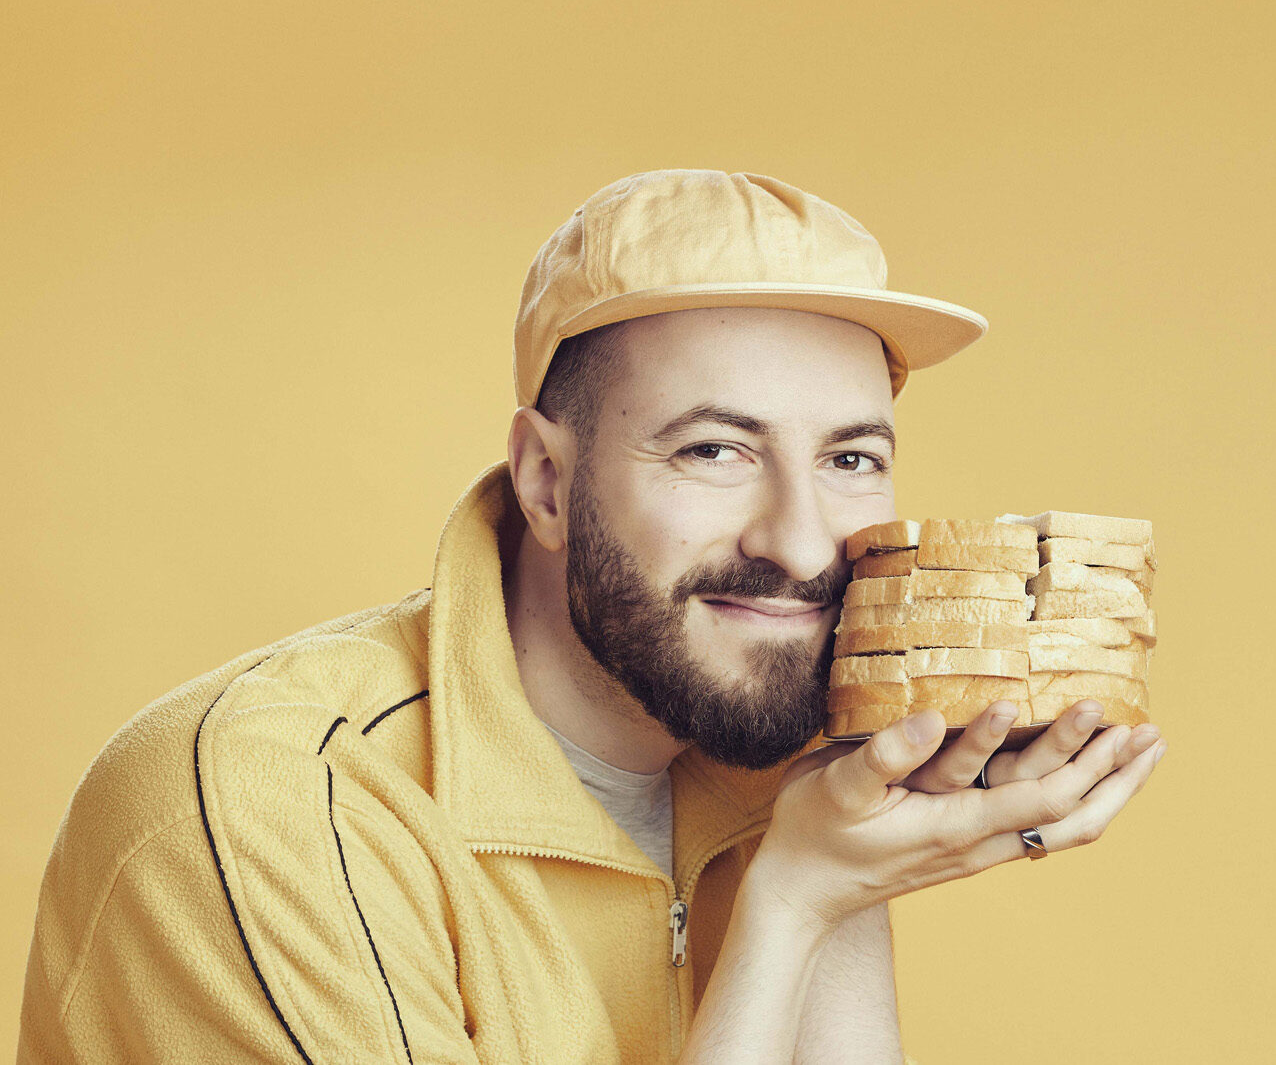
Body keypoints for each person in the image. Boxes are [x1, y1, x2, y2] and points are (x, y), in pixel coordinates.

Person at [17, 169, 1166, 1064]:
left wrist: (840, 878)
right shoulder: (272, 804)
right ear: (546, 481)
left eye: (851, 456)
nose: (804, 541)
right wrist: (794, 903)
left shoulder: (775, 774)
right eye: (714, 449)